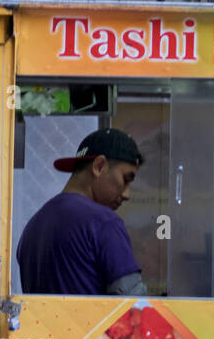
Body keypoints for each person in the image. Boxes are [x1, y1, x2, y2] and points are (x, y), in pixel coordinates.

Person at [17, 127, 148, 296]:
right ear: (99, 166)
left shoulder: (33, 226)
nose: (126, 194)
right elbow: (134, 308)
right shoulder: (103, 222)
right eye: (126, 179)